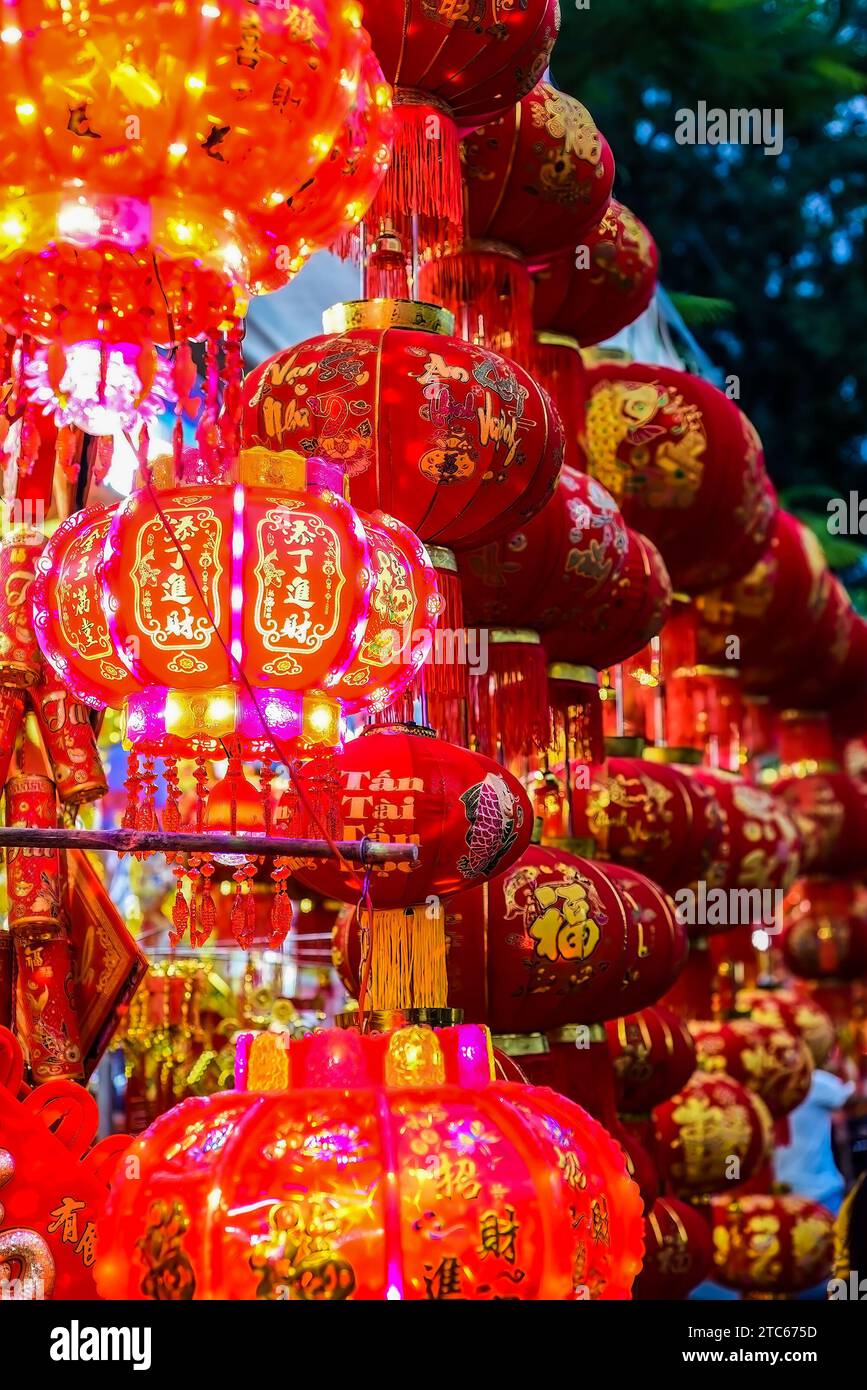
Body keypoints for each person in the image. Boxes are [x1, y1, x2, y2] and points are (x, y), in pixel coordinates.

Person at [774, 1063, 855, 1213]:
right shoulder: (816, 1081)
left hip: (784, 1194)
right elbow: (851, 1100)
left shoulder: (759, 1088)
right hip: (818, 1193)